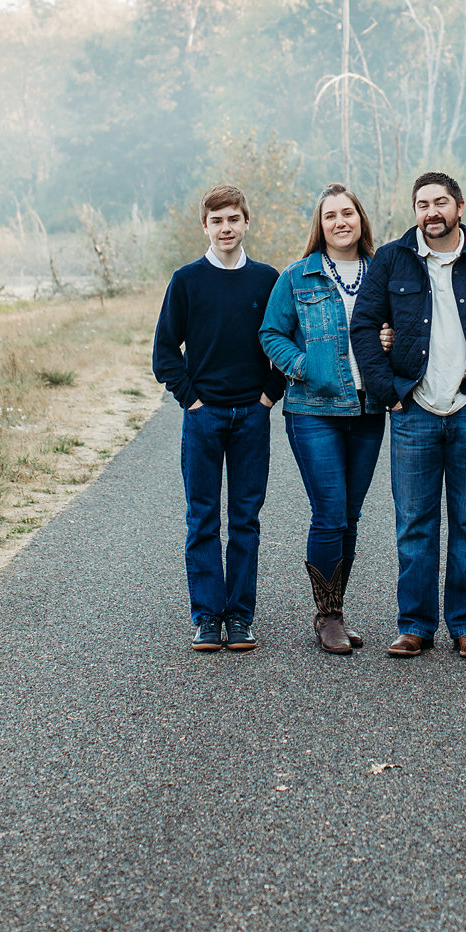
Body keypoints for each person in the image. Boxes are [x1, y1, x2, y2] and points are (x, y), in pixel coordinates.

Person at [350, 171, 466, 660]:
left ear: (459, 207)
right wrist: (390, 394)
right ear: (415, 211)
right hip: (414, 409)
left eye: (440, 202)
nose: (431, 212)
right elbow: (364, 327)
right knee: (414, 523)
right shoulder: (391, 260)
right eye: (422, 204)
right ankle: (414, 625)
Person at [152, 183, 284, 653]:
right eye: (216, 221)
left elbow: (286, 341)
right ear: (205, 226)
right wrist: (190, 400)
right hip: (203, 417)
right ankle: (208, 616)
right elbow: (165, 352)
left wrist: (269, 396)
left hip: (252, 416)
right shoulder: (187, 281)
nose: (225, 228)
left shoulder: (267, 280)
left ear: (246, 222)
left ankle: (240, 616)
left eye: (233, 219)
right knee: (203, 518)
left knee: (245, 519)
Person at [259, 184, 390, 655]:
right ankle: (327, 616)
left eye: (347, 213)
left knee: (350, 516)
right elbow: (271, 333)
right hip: (314, 410)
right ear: (320, 224)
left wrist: (392, 340)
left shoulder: (382, 272)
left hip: (368, 409)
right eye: (330, 215)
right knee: (330, 512)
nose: (340, 222)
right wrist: (304, 366)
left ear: (360, 219)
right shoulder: (297, 276)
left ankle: (338, 608)